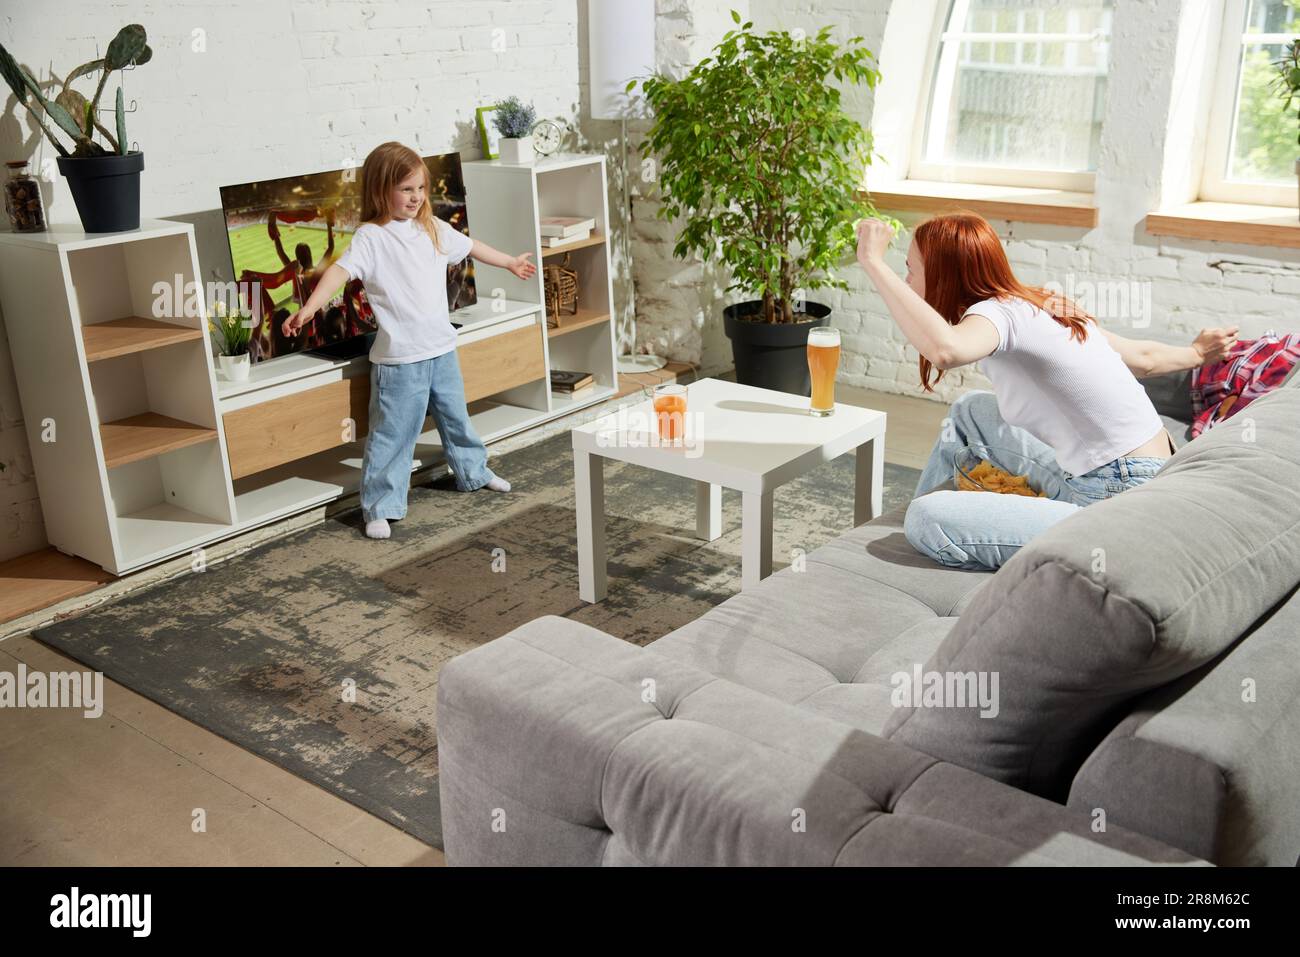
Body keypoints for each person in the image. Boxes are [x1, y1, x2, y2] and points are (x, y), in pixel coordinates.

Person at [855, 212, 1238, 571]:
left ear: (942, 275)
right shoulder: (1033, 302)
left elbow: (946, 350)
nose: (905, 280)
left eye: (909, 269)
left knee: (926, 520)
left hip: (1119, 501)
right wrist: (1196, 353)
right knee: (970, 410)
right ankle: (950, 514)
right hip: (1150, 471)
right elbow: (1141, 358)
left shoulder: (996, 314)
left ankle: (947, 529)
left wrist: (873, 262)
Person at [282, 141, 537, 540]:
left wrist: (509, 262)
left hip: (442, 350)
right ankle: (380, 507)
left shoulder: (432, 228)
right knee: (393, 435)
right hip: (400, 361)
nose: (416, 197)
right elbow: (337, 273)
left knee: (457, 419)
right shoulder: (371, 237)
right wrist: (310, 309)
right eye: (406, 189)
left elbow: (472, 247)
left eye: (420, 188)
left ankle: (474, 471)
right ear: (381, 191)